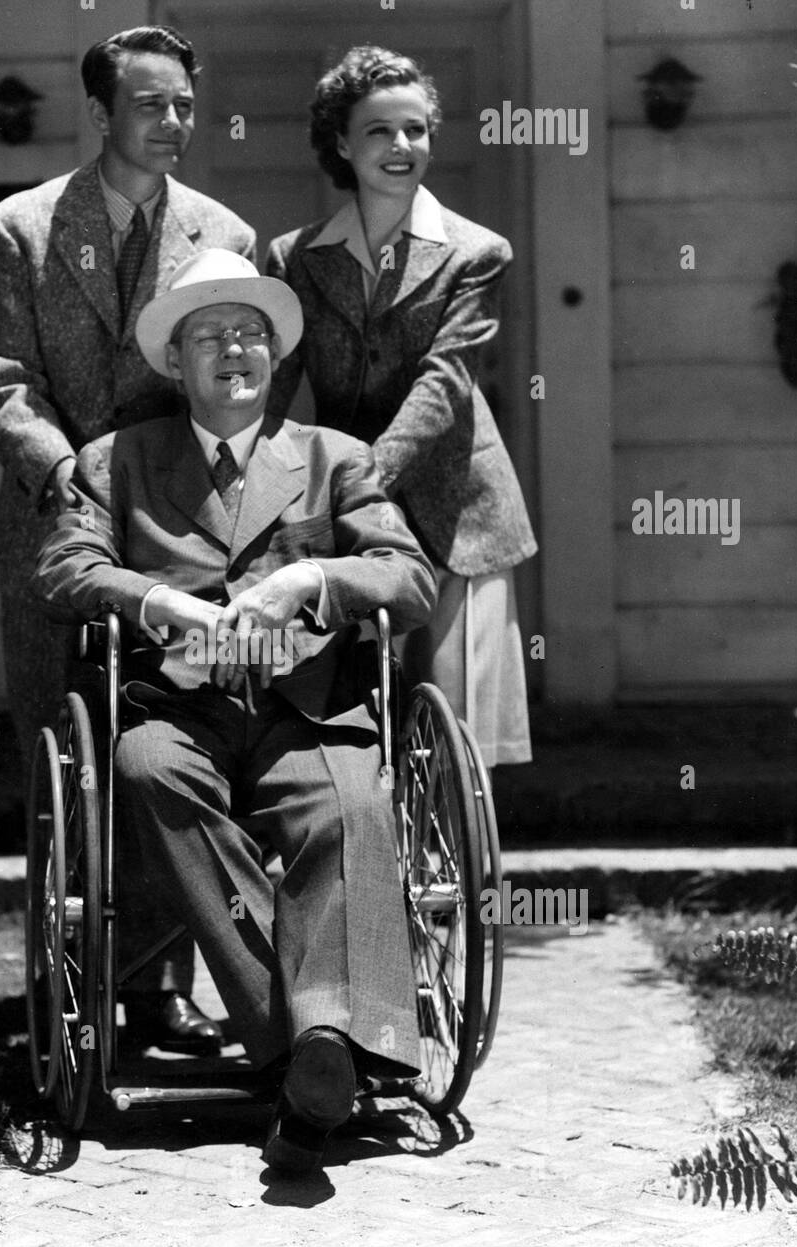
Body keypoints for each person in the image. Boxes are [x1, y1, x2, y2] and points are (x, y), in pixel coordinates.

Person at [31, 249, 436, 1175]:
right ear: (175, 360)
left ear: (275, 354)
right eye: (210, 336)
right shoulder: (119, 462)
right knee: (142, 768)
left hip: (306, 712)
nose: (235, 351)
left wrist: (310, 576)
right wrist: (153, 600)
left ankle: (311, 1057)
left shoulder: (336, 459)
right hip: (181, 710)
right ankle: (316, 1046)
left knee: (355, 806)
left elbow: (409, 579)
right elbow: (63, 569)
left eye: (251, 333)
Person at [0, 25, 256, 1051]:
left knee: (167, 753)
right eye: (149, 104)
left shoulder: (224, 235)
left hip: (178, 537)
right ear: (99, 112)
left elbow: (230, 382)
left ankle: (161, 986)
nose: (172, 122)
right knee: (59, 757)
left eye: (183, 103)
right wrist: (66, 472)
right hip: (52, 533)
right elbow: (2, 380)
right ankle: (68, 974)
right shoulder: (23, 229)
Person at [267, 46, 537, 768]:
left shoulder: (477, 253)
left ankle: (462, 880)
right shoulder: (295, 258)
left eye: (416, 130)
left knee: (457, 741)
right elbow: (276, 381)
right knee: (348, 731)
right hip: (342, 519)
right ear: (341, 142)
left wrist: (367, 472)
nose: (402, 146)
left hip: (459, 513)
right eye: (381, 131)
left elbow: (445, 380)